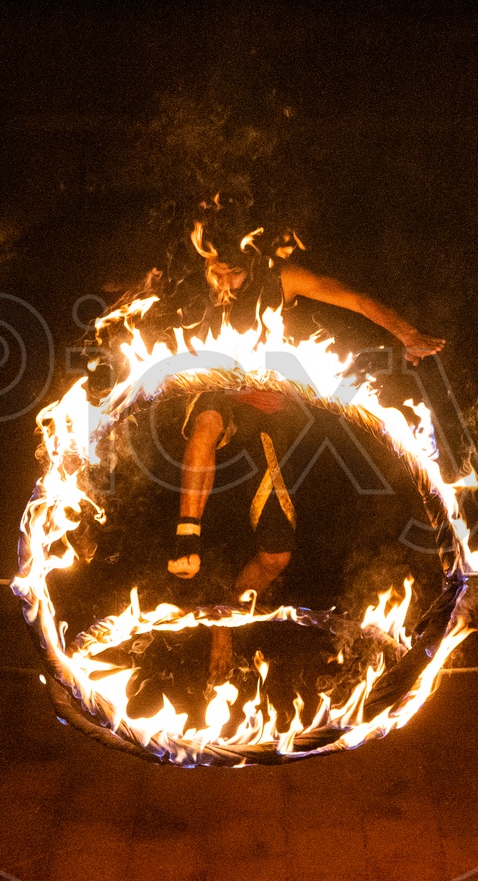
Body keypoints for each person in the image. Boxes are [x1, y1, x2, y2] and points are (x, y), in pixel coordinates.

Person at [158, 195, 445, 679]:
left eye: (235, 274)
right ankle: (186, 537)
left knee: (276, 555)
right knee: (207, 418)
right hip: (221, 401)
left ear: (251, 261)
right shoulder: (197, 282)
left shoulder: (280, 279)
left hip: (272, 413)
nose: (225, 284)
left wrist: (406, 332)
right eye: (218, 274)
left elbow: (351, 296)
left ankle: (224, 620)